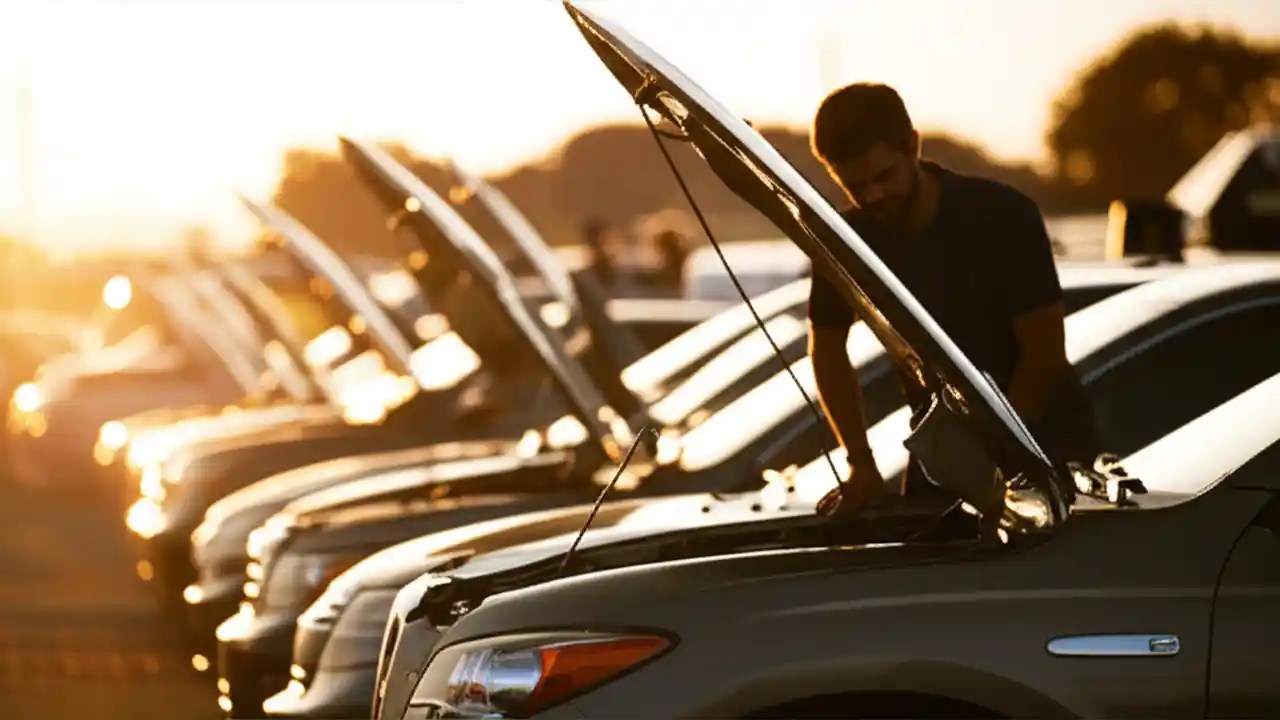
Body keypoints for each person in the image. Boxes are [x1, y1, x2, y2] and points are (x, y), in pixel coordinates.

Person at [805, 83, 1098, 516]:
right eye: (855, 186)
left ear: (912, 147)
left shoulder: (1004, 216)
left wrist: (995, 463)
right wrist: (861, 466)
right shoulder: (845, 241)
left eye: (883, 176)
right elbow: (827, 350)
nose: (872, 196)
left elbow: (1044, 355)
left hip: (1045, 450)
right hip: (939, 459)